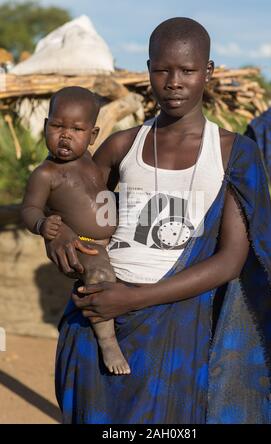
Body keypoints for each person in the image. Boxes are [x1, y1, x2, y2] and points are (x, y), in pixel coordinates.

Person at [50, 18, 271, 423]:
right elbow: (73, 206)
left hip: (176, 328)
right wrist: (59, 238)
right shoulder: (123, 145)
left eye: (188, 71)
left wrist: (134, 298)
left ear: (207, 72)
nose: (174, 81)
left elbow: (231, 260)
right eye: (162, 70)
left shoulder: (234, 154)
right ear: (148, 70)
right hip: (99, 320)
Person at [22, 86, 131, 375]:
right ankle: (107, 342)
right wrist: (43, 225)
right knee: (99, 275)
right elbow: (29, 209)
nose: (65, 135)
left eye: (77, 129)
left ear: (92, 135)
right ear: (46, 126)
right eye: (57, 126)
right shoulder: (46, 174)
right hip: (84, 243)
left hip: (113, 240)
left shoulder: (92, 161)